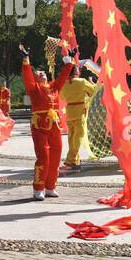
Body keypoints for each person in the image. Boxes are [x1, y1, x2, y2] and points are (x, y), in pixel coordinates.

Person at [19, 44, 73, 199]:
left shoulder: (54, 87)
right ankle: (38, 188)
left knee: (56, 157)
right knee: (43, 157)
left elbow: (63, 77)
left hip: (54, 125)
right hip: (39, 125)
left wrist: (68, 62)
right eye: (39, 72)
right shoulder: (34, 88)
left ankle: (50, 186)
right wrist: (25, 58)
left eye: (43, 72)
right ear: (36, 78)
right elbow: (27, 75)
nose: (42, 72)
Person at [60, 63, 96, 171]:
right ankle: (70, 160)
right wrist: (92, 82)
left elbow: (62, 96)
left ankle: (75, 160)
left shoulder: (63, 84)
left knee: (72, 138)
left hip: (70, 112)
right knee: (77, 138)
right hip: (80, 112)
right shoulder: (81, 82)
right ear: (76, 72)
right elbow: (93, 91)